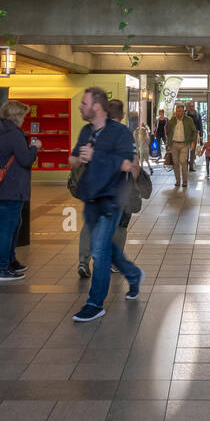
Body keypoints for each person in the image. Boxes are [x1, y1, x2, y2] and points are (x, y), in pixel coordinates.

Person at [70, 86, 143, 322]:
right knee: (105, 248)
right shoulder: (86, 131)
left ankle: (95, 303)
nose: (81, 107)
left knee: (100, 251)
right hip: (91, 197)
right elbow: (73, 159)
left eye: (84, 103)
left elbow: (128, 165)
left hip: (113, 197)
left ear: (97, 107)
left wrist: (95, 157)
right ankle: (133, 274)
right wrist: (76, 158)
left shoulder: (120, 133)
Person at [0, 100, 40, 281]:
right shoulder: (13, 134)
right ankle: (3, 268)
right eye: (23, 116)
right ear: (16, 116)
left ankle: (10, 261)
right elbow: (25, 159)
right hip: (13, 187)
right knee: (8, 228)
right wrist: (34, 148)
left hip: (2, 186)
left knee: (13, 224)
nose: (24, 119)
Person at [165, 103, 197, 187]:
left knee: (183, 162)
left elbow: (194, 131)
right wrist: (168, 144)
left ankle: (185, 181)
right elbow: (168, 132)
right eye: (177, 111)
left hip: (184, 144)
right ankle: (178, 181)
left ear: (183, 111)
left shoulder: (188, 120)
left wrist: (193, 142)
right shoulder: (172, 120)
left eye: (180, 111)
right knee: (175, 163)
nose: (178, 113)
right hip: (174, 144)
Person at [186, 103, 203, 172]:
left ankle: (191, 166)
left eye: (192, 106)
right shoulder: (186, 114)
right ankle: (185, 165)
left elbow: (200, 125)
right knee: (186, 150)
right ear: (188, 107)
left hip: (195, 134)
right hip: (187, 134)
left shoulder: (198, 114)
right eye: (190, 106)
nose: (191, 107)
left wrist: (201, 135)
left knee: (193, 150)